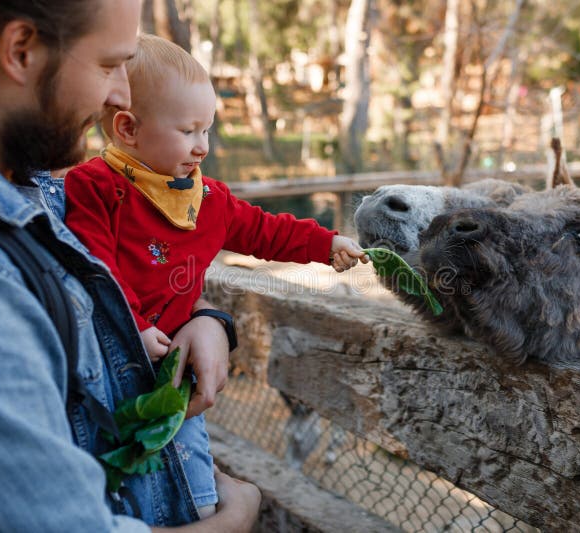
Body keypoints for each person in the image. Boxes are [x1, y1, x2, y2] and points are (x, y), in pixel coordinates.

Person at [0, 1, 260, 531]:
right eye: (108, 65)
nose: (121, 95)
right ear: (21, 51)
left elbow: (118, 275)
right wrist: (235, 522)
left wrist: (205, 316)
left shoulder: (32, 194)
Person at [64, 34, 367, 519]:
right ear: (128, 129)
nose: (203, 147)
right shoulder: (95, 188)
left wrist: (324, 244)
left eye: (207, 131)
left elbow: (263, 230)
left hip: (175, 370)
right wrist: (133, 326)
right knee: (119, 468)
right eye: (188, 132)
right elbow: (92, 263)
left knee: (189, 460)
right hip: (112, 364)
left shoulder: (207, 200)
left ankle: (201, 511)